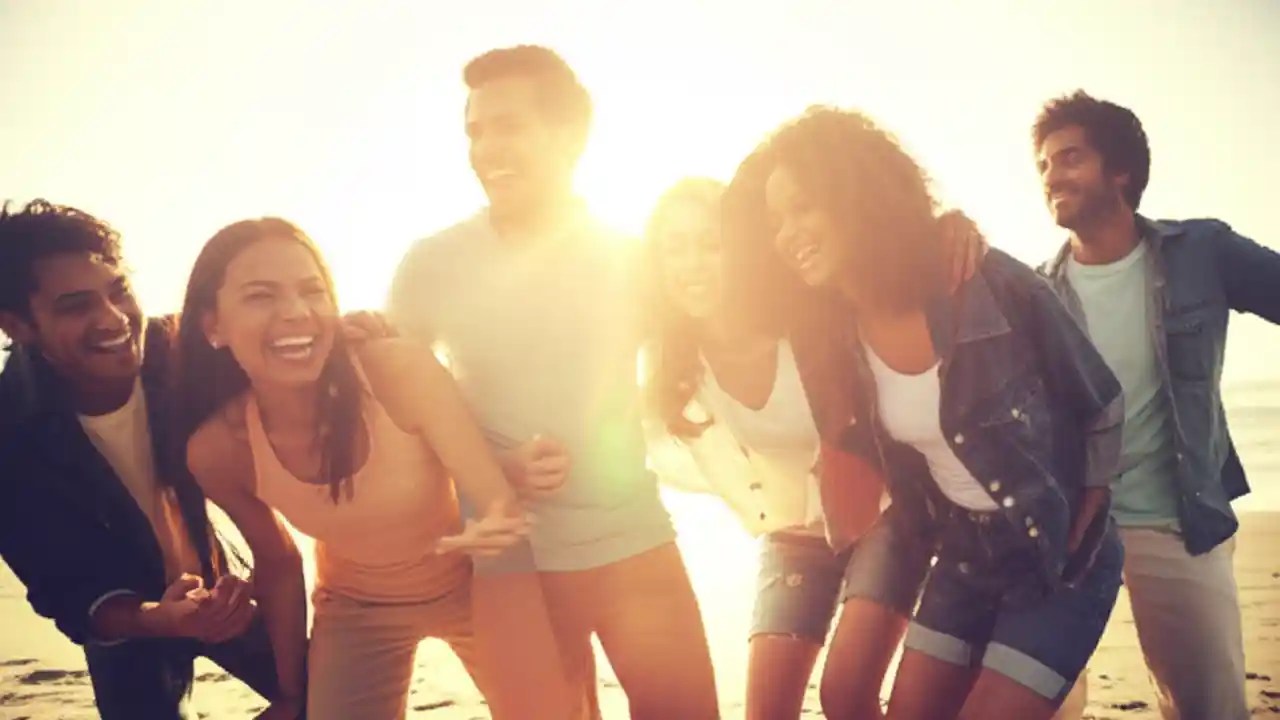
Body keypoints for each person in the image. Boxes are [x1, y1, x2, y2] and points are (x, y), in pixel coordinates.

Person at [727, 107, 1126, 719]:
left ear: (857, 195)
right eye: (777, 219)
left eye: (804, 207)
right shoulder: (830, 332)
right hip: (966, 555)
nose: (787, 234)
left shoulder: (987, 283)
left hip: (1055, 559)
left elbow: (1100, 399)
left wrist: (1086, 515)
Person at [388, 45, 719, 719]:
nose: (485, 147)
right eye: (475, 131)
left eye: (508, 125)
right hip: (515, 565)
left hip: (635, 546)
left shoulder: (634, 259)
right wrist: (495, 466)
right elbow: (391, 429)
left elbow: (743, 309)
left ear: (571, 136)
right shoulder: (431, 266)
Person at [642, 177, 986, 718]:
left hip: (881, 515)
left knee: (845, 695)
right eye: (674, 246)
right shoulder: (672, 356)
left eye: (711, 243)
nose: (693, 263)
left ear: (741, 247)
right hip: (793, 535)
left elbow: (877, 268)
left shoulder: (806, 317)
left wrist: (944, 229)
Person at [172, 217, 529, 720]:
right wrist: (293, 693)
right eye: (261, 296)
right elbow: (276, 563)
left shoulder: (394, 371)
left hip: (476, 583)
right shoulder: (217, 450)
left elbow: (498, 509)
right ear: (213, 326)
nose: (295, 312)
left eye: (311, 291)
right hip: (358, 607)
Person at [1033, 90, 1280, 720]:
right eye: (1043, 165)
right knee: (1042, 701)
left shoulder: (1202, 251)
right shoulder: (1035, 293)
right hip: (1067, 530)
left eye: (1069, 158)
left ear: (1121, 170)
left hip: (1177, 520)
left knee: (1210, 706)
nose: (1052, 176)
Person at [0, 200, 280, 720]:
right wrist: (157, 618)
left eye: (119, 291)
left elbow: (282, 360)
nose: (112, 319)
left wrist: (355, 335)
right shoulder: (9, 438)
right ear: (17, 325)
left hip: (224, 587)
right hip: (129, 622)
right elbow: (65, 589)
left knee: (335, 697)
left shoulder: (184, 353)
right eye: (75, 306)